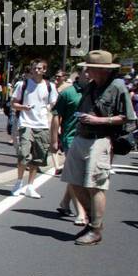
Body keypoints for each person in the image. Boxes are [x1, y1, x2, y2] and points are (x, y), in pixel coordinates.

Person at [60, 49, 134, 246]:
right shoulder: (91, 86)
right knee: (74, 180)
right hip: (81, 136)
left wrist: (99, 120)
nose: (86, 72)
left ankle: (95, 228)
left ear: (101, 69)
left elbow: (126, 117)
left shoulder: (117, 87)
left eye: (90, 68)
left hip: (101, 138)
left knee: (95, 184)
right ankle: (92, 220)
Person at [10, 58, 57, 198]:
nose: (36, 70)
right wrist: (23, 107)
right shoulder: (22, 85)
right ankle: (19, 183)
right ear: (31, 69)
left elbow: (53, 102)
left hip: (42, 125)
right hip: (26, 123)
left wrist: (47, 109)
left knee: (37, 157)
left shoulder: (50, 86)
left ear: (44, 70)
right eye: (34, 68)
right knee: (23, 155)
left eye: (39, 68)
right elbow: (13, 103)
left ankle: (30, 185)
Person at [50, 64, 87, 224]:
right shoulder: (68, 93)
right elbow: (56, 116)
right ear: (80, 73)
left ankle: (65, 203)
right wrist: (53, 140)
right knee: (77, 176)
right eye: (87, 70)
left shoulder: (96, 91)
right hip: (71, 138)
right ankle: (81, 212)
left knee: (78, 175)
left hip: (90, 138)